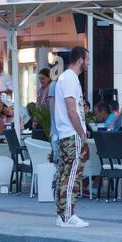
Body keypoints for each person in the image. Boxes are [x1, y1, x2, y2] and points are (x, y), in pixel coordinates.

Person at [51, 46, 90, 228]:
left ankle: (61, 214)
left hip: (65, 134)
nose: (88, 63)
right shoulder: (71, 79)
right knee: (72, 176)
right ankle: (68, 215)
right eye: (87, 60)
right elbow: (71, 109)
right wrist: (82, 133)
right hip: (72, 134)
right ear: (81, 59)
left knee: (65, 174)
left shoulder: (64, 78)